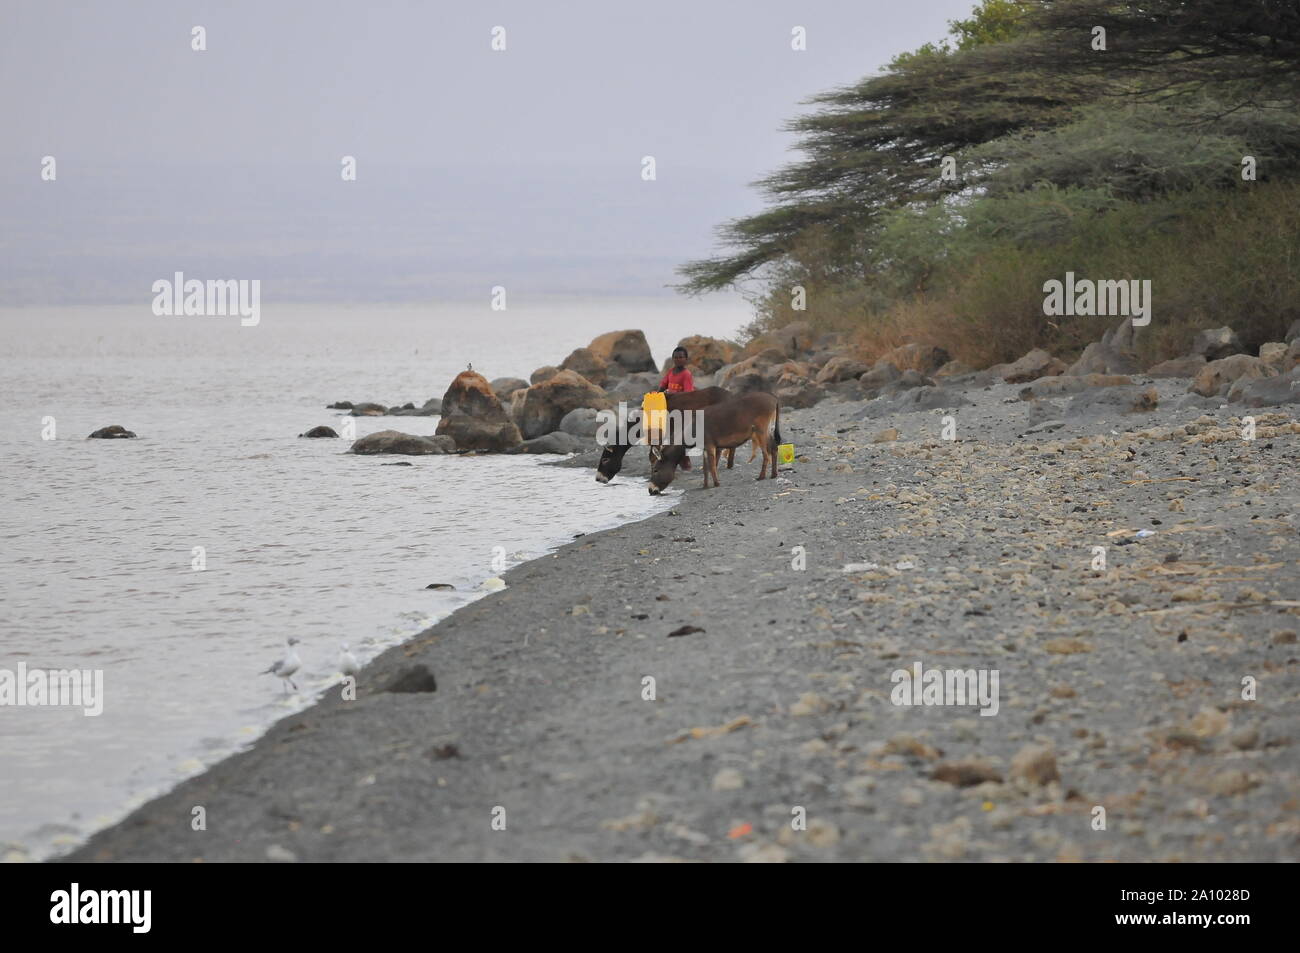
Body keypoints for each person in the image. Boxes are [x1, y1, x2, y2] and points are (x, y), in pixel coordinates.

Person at [657, 346, 695, 469]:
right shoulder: (671, 372)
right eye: (676, 357)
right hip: (671, 407)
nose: (678, 359)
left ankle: (685, 462)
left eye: (681, 357)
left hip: (683, 408)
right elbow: (662, 386)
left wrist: (673, 393)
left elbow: (689, 394)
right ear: (673, 358)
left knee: (678, 437)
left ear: (686, 359)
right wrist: (656, 396)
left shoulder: (686, 374)